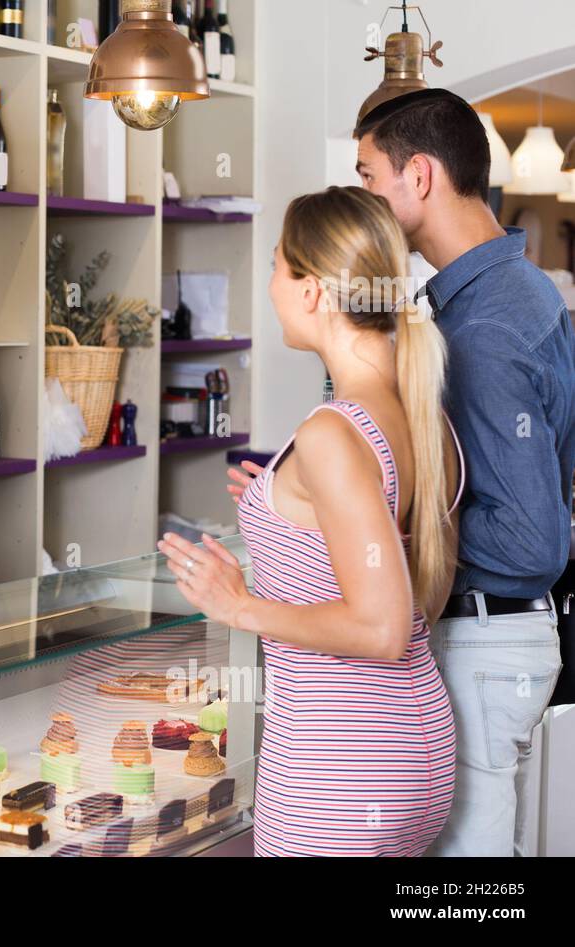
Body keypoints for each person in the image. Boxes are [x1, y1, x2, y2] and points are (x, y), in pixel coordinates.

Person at [159, 187, 464, 856]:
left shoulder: (331, 431)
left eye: (276, 265)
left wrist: (240, 605)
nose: (269, 286)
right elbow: (412, 586)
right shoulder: (416, 411)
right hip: (415, 752)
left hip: (338, 766)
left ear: (313, 290)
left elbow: (383, 627)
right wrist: (282, 500)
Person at [354, 88, 572, 857]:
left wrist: (377, 527)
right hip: (500, 639)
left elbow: (530, 539)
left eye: (368, 174)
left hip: (483, 640)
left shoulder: (482, 327)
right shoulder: (519, 292)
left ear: (418, 175)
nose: (365, 195)